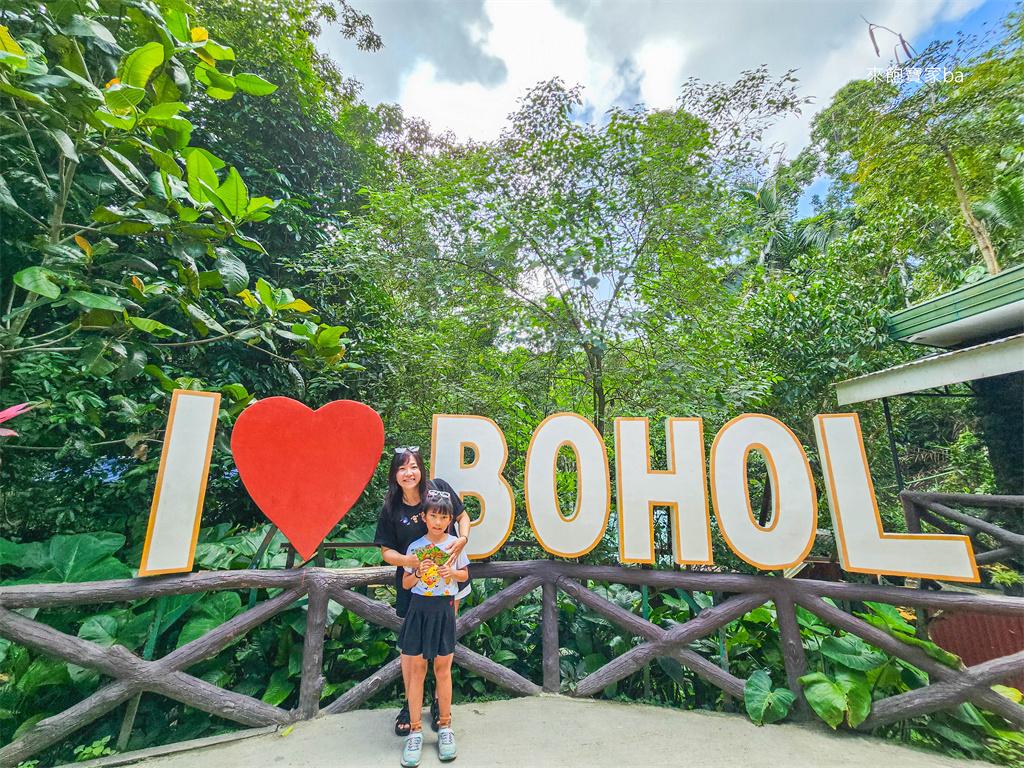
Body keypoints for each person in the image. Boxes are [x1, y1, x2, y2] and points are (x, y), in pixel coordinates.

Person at [373, 447, 471, 737]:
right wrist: (409, 562)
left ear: (421, 469)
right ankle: (409, 705)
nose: (409, 473)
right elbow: (385, 550)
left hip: (446, 587)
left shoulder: (438, 489)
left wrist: (462, 540)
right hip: (412, 585)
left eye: (413, 466)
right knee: (411, 653)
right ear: (395, 474)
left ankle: (440, 707)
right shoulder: (392, 508)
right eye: (402, 468)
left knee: (442, 648)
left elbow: (463, 515)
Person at [397, 491, 467, 766]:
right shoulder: (415, 547)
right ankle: (415, 732)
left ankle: (446, 728)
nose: (438, 521)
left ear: (450, 520)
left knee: (442, 670)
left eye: (444, 517)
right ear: (424, 517)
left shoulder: (455, 546)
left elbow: (464, 576)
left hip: (444, 609)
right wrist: (416, 572)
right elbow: (404, 584)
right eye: (433, 516)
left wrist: (452, 573)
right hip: (418, 609)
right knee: (417, 670)